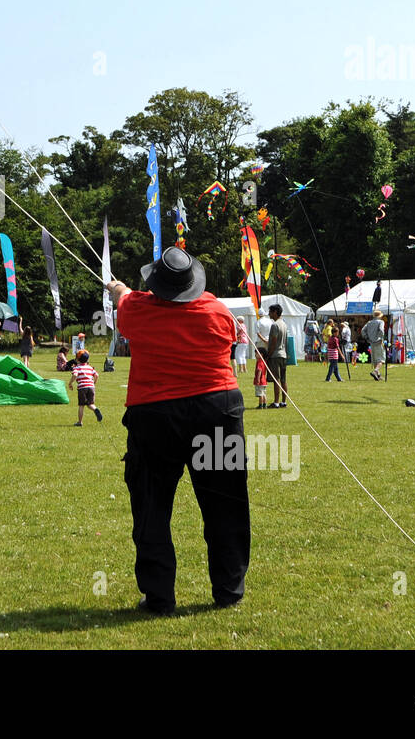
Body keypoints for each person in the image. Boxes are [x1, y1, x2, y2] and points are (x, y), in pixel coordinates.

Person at [107, 246, 247, 615]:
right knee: (225, 502)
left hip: (155, 414)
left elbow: (123, 299)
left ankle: (159, 597)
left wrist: (118, 288)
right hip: (218, 409)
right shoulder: (218, 310)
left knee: (152, 506)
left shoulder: (136, 308)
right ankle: (229, 588)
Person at [68, 350, 103, 425]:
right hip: (91, 387)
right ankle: (96, 409)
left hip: (82, 387)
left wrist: (70, 383)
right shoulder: (90, 367)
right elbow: (97, 375)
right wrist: (94, 382)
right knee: (90, 404)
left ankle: (80, 422)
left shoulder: (76, 368)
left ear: (77, 359)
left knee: (81, 405)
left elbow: (75, 375)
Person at [265, 305, 289, 408]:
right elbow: (286, 341)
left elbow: (273, 342)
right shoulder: (284, 324)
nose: (269, 313)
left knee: (276, 379)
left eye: (270, 311)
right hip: (283, 354)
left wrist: (268, 355)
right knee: (283, 379)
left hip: (275, 355)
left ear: (275, 312)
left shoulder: (275, 325)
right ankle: (283, 401)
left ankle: (276, 402)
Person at [363, 311, 386, 381]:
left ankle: (378, 375)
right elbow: (381, 330)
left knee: (375, 359)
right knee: (381, 359)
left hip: (371, 343)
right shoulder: (381, 322)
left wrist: (367, 337)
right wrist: (380, 338)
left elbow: (362, 330)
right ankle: (375, 371)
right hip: (378, 342)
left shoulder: (369, 322)